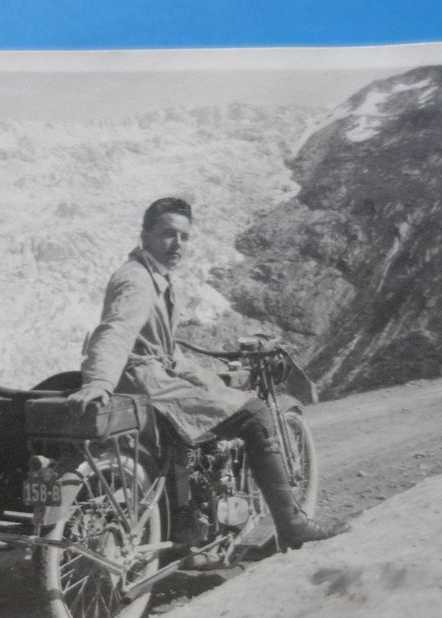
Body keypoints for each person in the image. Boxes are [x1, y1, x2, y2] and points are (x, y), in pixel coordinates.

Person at [67, 197, 350, 550]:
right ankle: (292, 526)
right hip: (144, 385)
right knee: (255, 415)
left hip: (150, 377)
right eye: (168, 234)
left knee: (221, 402)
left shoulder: (154, 275)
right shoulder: (137, 280)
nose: (177, 244)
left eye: (184, 237)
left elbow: (165, 350)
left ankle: (191, 524)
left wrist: (207, 378)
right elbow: (115, 330)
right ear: (145, 235)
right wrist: (98, 382)